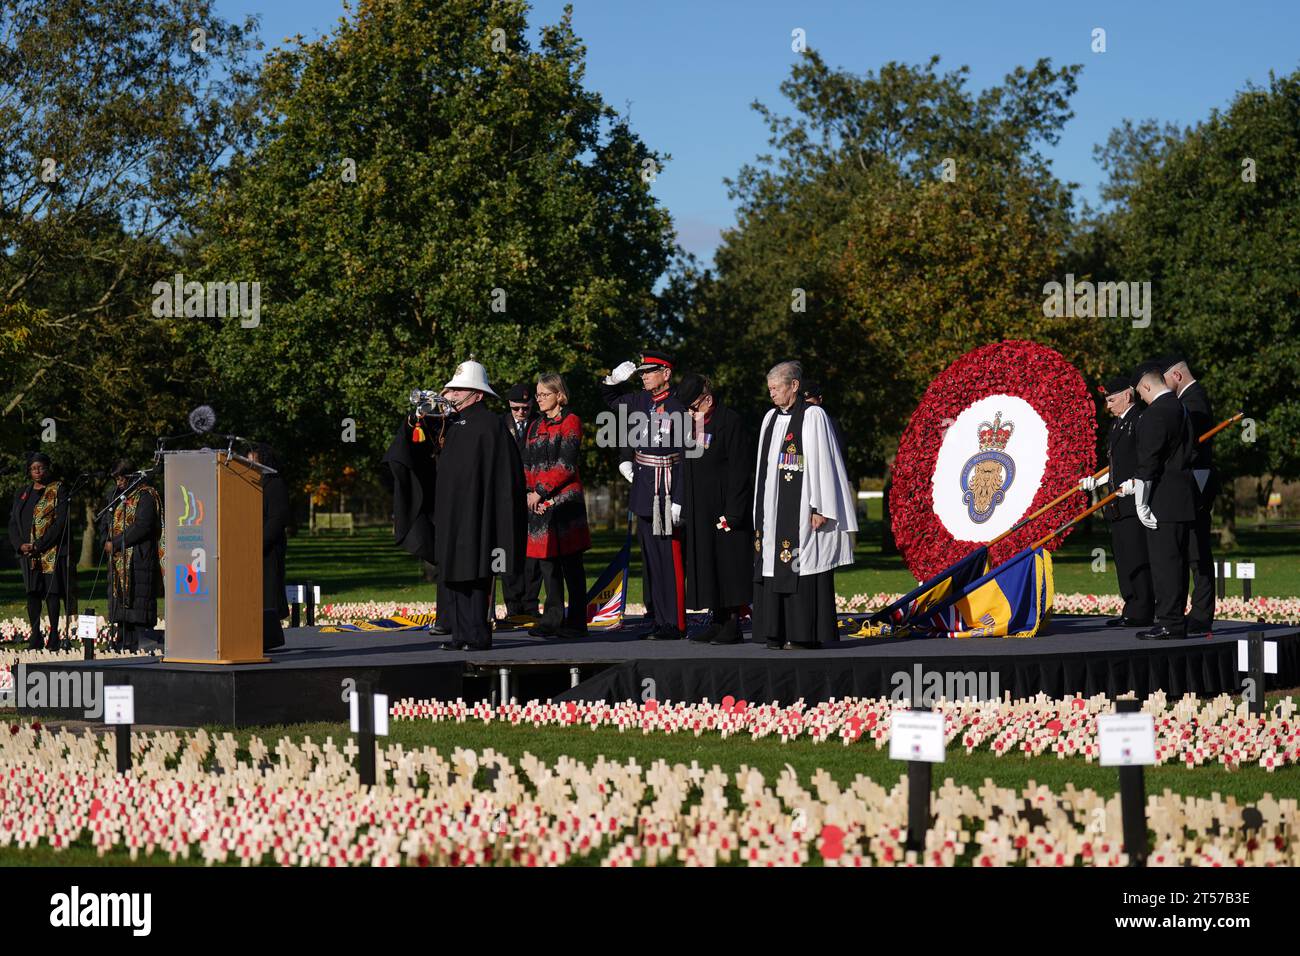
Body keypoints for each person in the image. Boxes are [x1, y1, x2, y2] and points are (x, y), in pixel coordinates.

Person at [752, 361, 858, 649]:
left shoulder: (813, 416)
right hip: (773, 513)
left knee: (803, 565)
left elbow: (823, 462)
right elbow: (765, 468)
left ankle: (802, 634)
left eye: (776, 388)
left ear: (794, 386)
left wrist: (821, 506)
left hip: (803, 509)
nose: (771, 394)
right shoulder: (769, 419)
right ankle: (775, 632)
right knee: (774, 566)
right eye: (770, 389)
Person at [433, 359, 527, 651]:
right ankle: (460, 633)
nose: (454, 394)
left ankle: (476, 634)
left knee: (475, 576)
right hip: (455, 514)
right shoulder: (456, 425)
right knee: (456, 574)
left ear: (479, 394)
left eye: (462, 389)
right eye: (453, 389)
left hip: (479, 515)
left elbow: (503, 477)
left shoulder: (488, 426)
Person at [601, 350, 688, 640]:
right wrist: (613, 380)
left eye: (649, 371)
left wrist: (679, 498)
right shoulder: (640, 401)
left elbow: (688, 456)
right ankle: (658, 618)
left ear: (666, 373)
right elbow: (611, 400)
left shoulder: (680, 405)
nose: (644, 377)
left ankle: (674, 622)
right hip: (644, 488)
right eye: (641, 373)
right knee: (651, 558)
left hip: (666, 487)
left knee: (669, 558)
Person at [675, 373, 753, 645]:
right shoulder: (692, 424)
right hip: (700, 508)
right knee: (706, 563)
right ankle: (716, 619)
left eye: (693, 407)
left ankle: (733, 622)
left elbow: (740, 469)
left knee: (728, 564)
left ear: (707, 399)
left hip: (724, 506)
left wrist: (734, 510)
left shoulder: (729, 421)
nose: (689, 412)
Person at [1124, 363, 1198, 641]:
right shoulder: (1182, 408)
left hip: (1162, 500)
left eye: (1140, 393)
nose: (1141, 399)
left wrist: (1141, 503)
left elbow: (1148, 463)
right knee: (1177, 563)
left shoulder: (1155, 414)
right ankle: (1175, 618)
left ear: (1145, 386)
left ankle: (1170, 622)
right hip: (1183, 496)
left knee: (1165, 564)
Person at [1080, 377, 1154, 628]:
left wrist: (1135, 483)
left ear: (1127, 396)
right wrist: (1097, 481)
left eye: (1112, 400)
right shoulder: (1118, 425)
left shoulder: (1140, 420)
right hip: (1116, 504)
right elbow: (1114, 464)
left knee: (1136, 556)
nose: (1108, 406)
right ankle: (1131, 605)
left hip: (1134, 501)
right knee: (1123, 558)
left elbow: (1146, 461)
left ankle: (1142, 609)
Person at [522, 373, 591, 639]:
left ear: (559, 396)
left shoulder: (571, 422)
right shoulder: (535, 426)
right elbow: (527, 464)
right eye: (538, 394)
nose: (538, 399)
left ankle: (575, 623)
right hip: (539, 504)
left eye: (544, 394)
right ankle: (551, 621)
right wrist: (531, 493)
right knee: (547, 565)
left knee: (571, 565)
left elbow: (566, 464)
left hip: (565, 504)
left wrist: (540, 491)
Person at [1163, 355, 1217, 634]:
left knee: (1197, 552)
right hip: (1193, 479)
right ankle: (1195, 612)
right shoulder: (1191, 397)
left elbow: (1191, 446)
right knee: (1192, 550)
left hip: (1196, 480)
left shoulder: (1192, 400)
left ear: (1178, 376)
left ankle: (1201, 614)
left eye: (1165, 380)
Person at [8, 452, 69, 650]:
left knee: (51, 593)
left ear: (47, 468)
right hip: (27, 553)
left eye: (41, 467)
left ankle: (54, 637)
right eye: (33, 468)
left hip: (49, 551)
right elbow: (13, 523)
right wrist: (20, 545)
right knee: (32, 593)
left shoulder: (57, 489)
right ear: (29, 471)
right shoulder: (22, 493)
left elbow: (60, 522)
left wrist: (39, 544)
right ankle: (36, 637)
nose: (37, 472)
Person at [104, 460, 163, 651]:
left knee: (139, 596)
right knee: (121, 598)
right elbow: (106, 522)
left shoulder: (146, 495)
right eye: (116, 479)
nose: (119, 482)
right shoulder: (115, 497)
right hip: (118, 558)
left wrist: (118, 541)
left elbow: (143, 525)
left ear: (132, 476)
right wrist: (106, 540)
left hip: (139, 556)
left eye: (122, 478)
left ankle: (140, 638)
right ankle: (123, 637)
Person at [500, 382, 542, 618]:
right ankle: (512, 606)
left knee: (533, 553)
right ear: (509, 405)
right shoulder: (499, 424)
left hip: (533, 496)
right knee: (507, 552)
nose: (521, 413)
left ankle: (531, 604)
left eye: (525, 408)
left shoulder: (540, 423)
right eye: (516, 408)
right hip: (507, 498)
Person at [247, 444, 291, 652]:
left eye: (254, 461)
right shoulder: (250, 484)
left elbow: (277, 518)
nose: (251, 465)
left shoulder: (275, 484)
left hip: (267, 548)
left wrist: (258, 544)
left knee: (268, 592)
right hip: (248, 548)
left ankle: (270, 637)